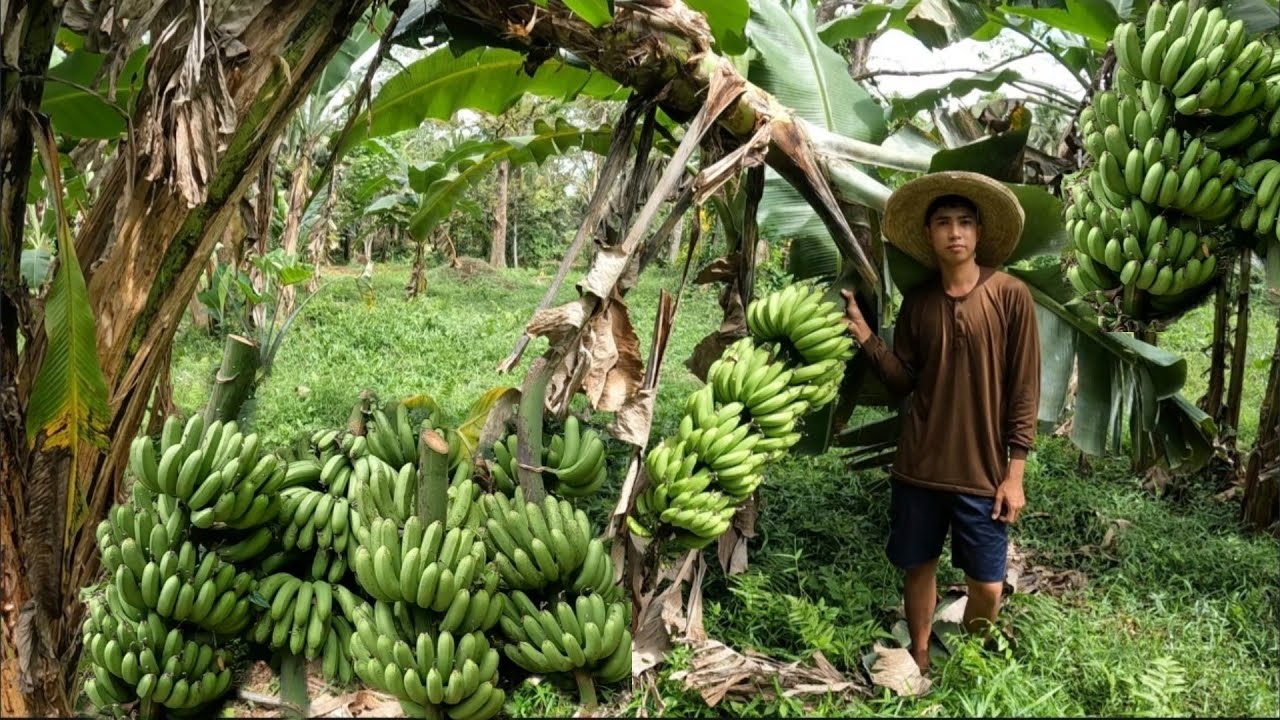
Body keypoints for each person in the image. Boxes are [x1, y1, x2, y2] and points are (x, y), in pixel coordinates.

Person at [841, 171, 1041, 674]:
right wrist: (866, 335)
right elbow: (902, 381)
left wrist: (1014, 475)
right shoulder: (920, 303)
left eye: (965, 223)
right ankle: (922, 655)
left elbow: (1024, 390)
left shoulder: (1011, 295)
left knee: (988, 585)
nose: (955, 232)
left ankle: (971, 660)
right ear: (929, 235)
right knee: (918, 566)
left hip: (984, 471)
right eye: (944, 223)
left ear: (978, 234)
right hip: (920, 467)